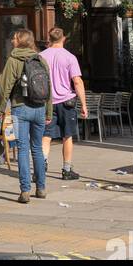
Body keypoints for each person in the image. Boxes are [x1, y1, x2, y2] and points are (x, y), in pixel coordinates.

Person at [0, 28, 53, 204]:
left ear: (20, 40)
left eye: (14, 37)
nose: (12, 40)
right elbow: (49, 87)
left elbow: (5, 86)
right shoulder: (40, 59)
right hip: (39, 108)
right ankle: (41, 188)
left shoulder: (14, 60)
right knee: (37, 148)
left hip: (20, 109)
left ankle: (25, 191)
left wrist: (0, 109)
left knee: (22, 149)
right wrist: (48, 111)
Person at [40, 27, 87, 181]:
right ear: (63, 39)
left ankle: (42, 166)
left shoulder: (41, 56)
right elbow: (77, 81)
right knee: (67, 136)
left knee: (46, 136)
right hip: (67, 102)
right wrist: (84, 105)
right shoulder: (70, 57)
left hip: (47, 102)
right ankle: (66, 170)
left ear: (49, 38)